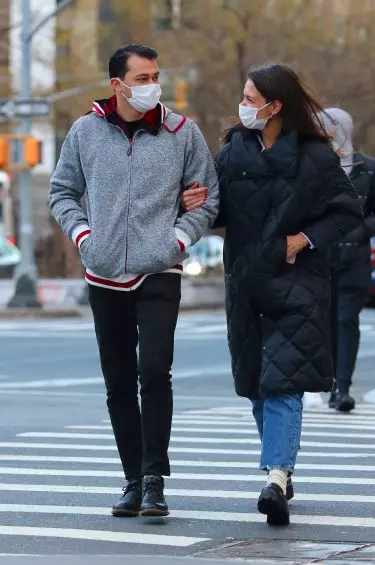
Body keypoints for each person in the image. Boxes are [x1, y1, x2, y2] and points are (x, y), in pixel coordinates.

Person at [182, 63, 362, 526]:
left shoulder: (315, 157)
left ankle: (276, 477)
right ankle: (280, 467)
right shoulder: (232, 153)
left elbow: (347, 215)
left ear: (275, 105)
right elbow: (219, 212)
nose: (243, 106)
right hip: (245, 281)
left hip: (298, 282)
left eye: (250, 97)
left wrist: (303, 239)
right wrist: (193, 203)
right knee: (258, 382)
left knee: (283, 380)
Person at [49, 43, 219, 518]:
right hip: (103, 274)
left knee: (154, 371)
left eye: (155, 76)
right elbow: (62, 191)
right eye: (141, 78)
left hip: (159, 269)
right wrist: (85, 237)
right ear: (117, 84)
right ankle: (130, 479)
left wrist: (178, 240)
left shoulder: (182, 132)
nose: (151, 86)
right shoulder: (84, 132)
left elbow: (209, 198)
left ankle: (154, 479)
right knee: (119, 380)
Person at [318, 108, 375, 412]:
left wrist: (361, 230)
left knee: (345, 320)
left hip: (355, 258)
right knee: (326, 323)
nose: (329, 133)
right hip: (321, 259)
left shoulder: (369, 169)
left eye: (333, 127)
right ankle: (331, 383)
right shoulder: (314, 166)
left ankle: (343, 386)